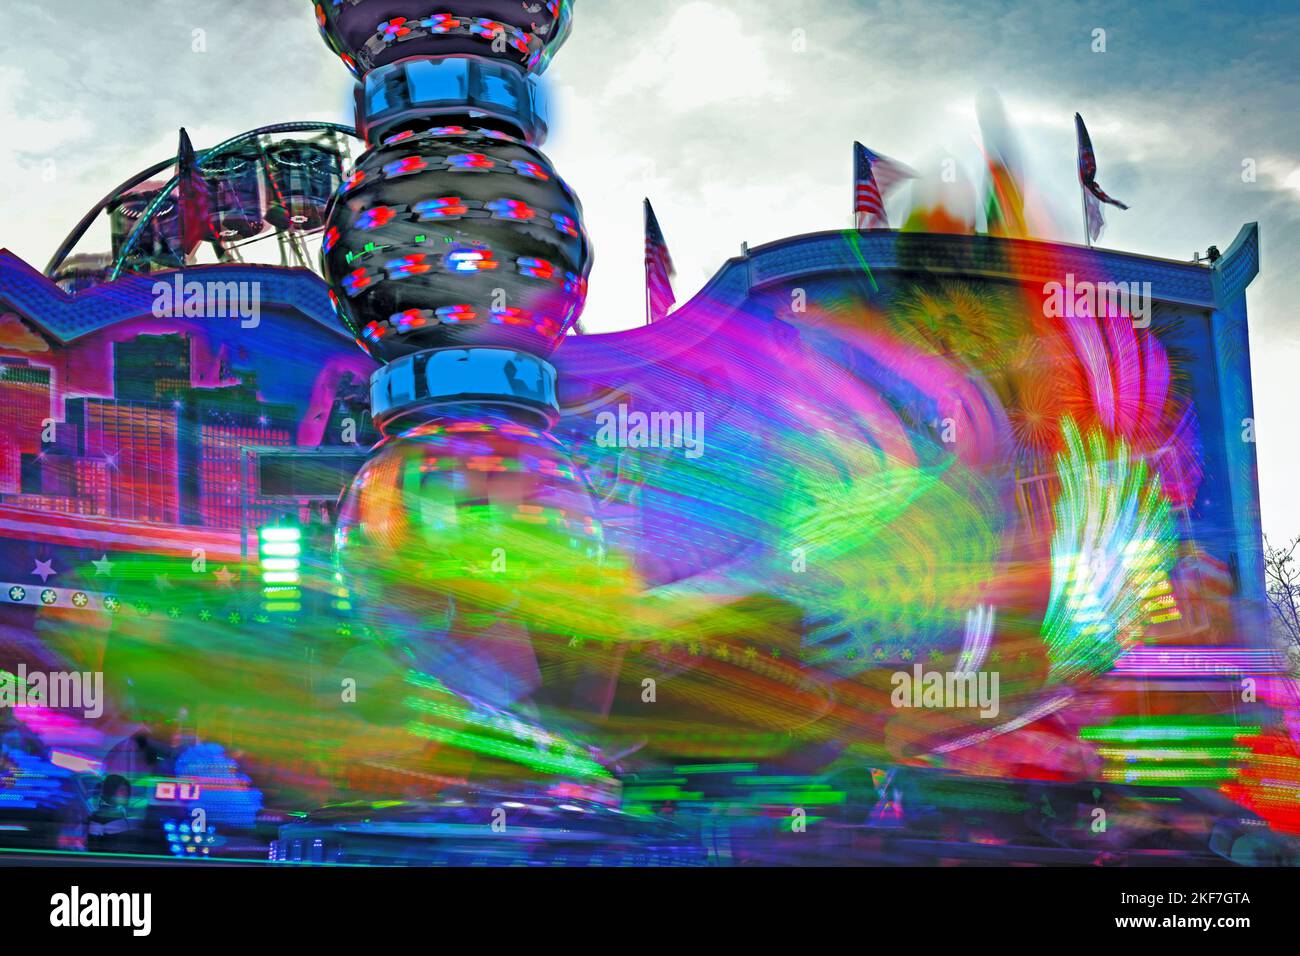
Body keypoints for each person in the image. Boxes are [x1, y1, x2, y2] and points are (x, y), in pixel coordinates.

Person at [86, 775, 135, 854]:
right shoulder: (98, 819)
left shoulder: (123, 812)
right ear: (111, 792)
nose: (126, 794)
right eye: (122, 790)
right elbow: (94, 851)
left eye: (127, 790)